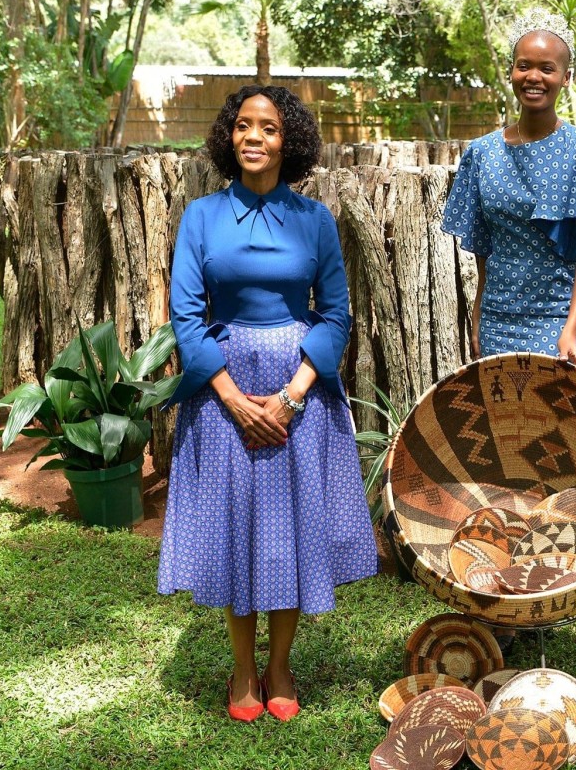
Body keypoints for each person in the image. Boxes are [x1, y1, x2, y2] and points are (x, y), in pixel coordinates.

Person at [158, 84, 378, 723]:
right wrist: (233, 398)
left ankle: (280, 664)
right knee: (239, 529)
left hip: (298, 396)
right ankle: (244, 667)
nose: (255, 137)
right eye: (244, 127)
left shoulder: (314, 221)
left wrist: (288, 397)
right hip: (226, 394)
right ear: (230, 136)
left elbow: (335, 314)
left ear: (290, 142)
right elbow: (187, 316)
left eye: (270, 128)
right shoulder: (201, 216)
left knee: (288, 531)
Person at [441, 8, 576, 372]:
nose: (534, 77)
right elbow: (484, 245)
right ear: (511, 70)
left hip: (559, 318)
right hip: (498, 318)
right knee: (506, 426)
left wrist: (571, 331)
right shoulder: (481, 154)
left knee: (552, 426)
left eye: (547, 68)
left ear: (566, 77)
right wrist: (479, 313)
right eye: (524, 65)